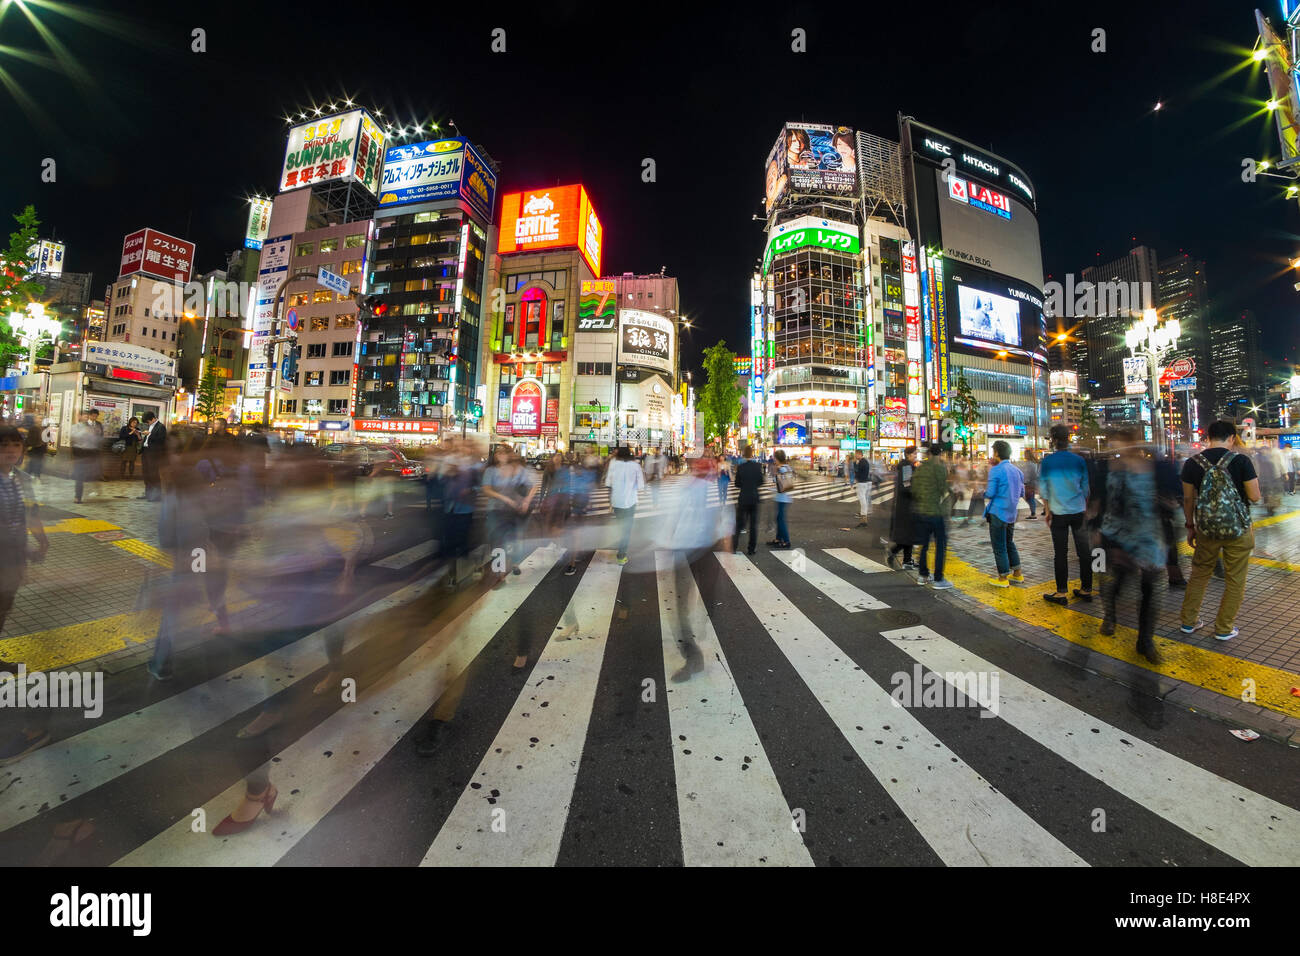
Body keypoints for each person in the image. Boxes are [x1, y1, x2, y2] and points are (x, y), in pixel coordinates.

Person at [1178, 420, 1261, 642]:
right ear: (1232, 438)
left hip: (1206, 529)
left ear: (1208, 437)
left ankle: (1189, 622)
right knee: (1235, 579)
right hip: (1238, 529)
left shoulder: (1192, 463)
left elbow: (1188, 499)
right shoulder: (1241, 460)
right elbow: (1254, 496)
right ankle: (1224, 629)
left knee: (1199, 574)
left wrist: (1190, 526)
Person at [0, 425, 51, 763]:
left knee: (4, 609)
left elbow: (26, 514)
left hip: (10, 561)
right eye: (3, 446)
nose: (10, 451)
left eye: (15, 446)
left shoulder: (17, 479)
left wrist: (39, 540)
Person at [1096, 429, 1164, 663]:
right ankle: (1110, 615)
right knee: (1118, 581)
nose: (1118, 451)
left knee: (1150, 588)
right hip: (1118, 536)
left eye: (1121, 445)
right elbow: (1105, 504)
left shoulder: (1152, 467)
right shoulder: (1111, 471)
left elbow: (1162, 500)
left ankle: (1145, 641)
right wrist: (1110, 543)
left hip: (1147, 537)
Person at [1039, 424, 1093, 605]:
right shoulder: (1078, 461)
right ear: (1068, 438)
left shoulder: (1047, 462)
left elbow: (1044, 490)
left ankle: (1061, 593)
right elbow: (1086, 488)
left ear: (1053, 440)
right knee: (1084, 551)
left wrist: (1047, 511)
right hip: (1078, 511)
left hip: (1058, 512)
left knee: (1060, 553)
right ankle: (1087, 589)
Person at [910, 443, 953, 589]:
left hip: (920, 511)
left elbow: (914, 490)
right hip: (936, 512)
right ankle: (939, 579)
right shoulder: (939, 468)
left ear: (928, 454)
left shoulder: (920, 468)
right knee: (940, 545)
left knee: (924, 545)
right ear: (939, 454)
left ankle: (922, 575)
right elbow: (943, 490)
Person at [984, 440, 1025, 587]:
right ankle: (1017, 573)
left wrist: (982, 492)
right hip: (1011, 513)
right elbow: (1022, 492)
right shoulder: (1017, 471)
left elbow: (990, 493)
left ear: (996, 453)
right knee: (1009, 542)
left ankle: (1002, 578)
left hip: (998, 512)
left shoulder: (996, 470)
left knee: (999, 546)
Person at [605, 445, 645, 565]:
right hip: (630, 502)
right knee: (626, 529)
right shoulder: (636, 465)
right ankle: (621, 556)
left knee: (621, 526)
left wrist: (609, 501)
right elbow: (641, 486)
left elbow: (608, 483)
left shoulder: (613, 464)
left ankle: (620, 549)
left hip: (616, 501)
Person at [885, 446, 918, 569]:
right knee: (908, 533)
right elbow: (907, 486)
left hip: (905, 504)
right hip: (906, 505)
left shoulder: (907, 466)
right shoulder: (906, 467)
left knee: (908, 533)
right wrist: (917, 493)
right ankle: (896, 553)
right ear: (908, 455)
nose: (916, 455)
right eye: (915, 454)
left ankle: (907, 559)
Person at [731, 444, 764, 556]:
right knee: (753, 525)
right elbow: (761, 481)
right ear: (752, 454)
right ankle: (751, 549)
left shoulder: (741, 467)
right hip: (754, 498)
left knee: (739, 524)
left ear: (743, 455)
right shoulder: (757, 466)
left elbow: (737, 484)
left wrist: (744, 485)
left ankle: (734, 547)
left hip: (743, 498)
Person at [138, 411, 167, 501]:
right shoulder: (150, 426)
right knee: (146, 473)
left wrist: (149, 434)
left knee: (153, 474)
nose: (147, 423)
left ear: (153, 418)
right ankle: (148, 494)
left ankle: (157, 496)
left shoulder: (161, 427)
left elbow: (161, 440)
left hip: (154, 453)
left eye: (148, 421)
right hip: (146, 451)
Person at [768, 449, 793, 549]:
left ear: (778, 458)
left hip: (782, 497)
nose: (774, 459)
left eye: (775, 457)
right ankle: (778, 539)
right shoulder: (787, 467)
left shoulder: (780, 468)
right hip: (785, 496)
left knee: (781, 519)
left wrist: (775, 472)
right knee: (779, 518)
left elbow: (776, 481)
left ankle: (786, 541)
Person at [20, 414, 46, 481]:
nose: (39, 420)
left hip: (40, 451)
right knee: (32, 464)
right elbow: (29, 440)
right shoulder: (33, 428)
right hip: (33, 450)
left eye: (41, 418)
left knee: (36, 464)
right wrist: (27, 448)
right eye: (38, 418)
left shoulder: (44, 429)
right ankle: (29, 476)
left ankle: (35, 476)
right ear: (35, 419)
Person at [1019, 450, 1040, 518]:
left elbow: (1031, 474)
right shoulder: (1032, 463)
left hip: (1030, 483)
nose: (1024, 456)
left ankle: (1033, 513)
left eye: (1025, 454)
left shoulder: (1030, 464)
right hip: (1031, 483)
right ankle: (1033, 512)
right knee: (1029, 498)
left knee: (1030, 498)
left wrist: (1026, 481)